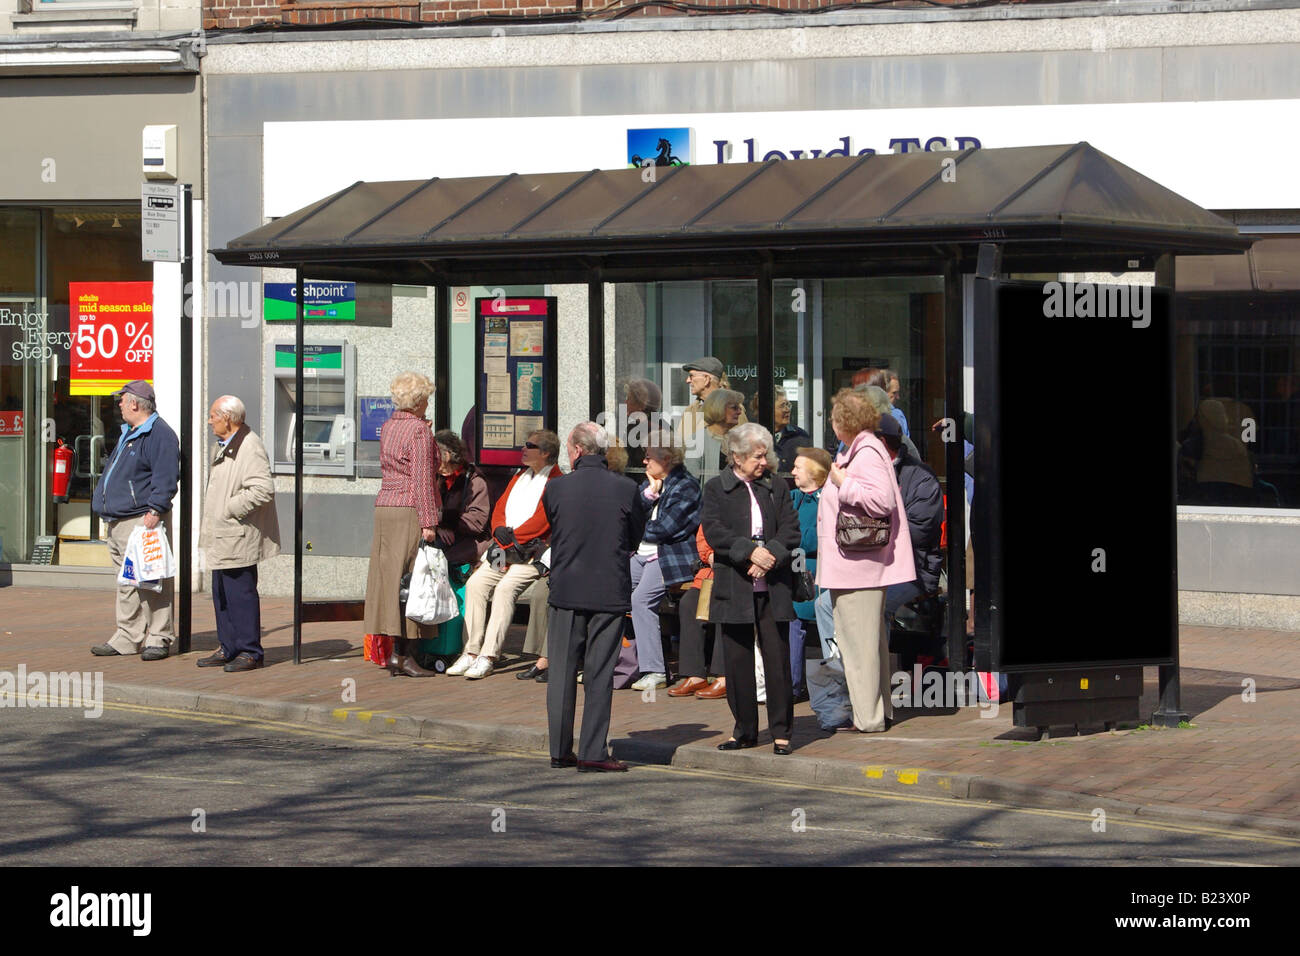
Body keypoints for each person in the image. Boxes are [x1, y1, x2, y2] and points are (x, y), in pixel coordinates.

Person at [544, 422, 645, 772]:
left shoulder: (556, 488)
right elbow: (634, 540)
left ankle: (559, 750)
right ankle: (592, 751)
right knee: (599, 673)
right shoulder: (627, 488)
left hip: (566, 591)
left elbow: (553, 529)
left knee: (561, 672)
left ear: (575, 450)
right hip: (607, 592)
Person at [816, 388, 915, 733]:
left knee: (859, 648)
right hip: (857, 566)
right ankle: (877, 713)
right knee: (868, 645)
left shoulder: (867, 451)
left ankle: (867, 719)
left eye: (833, 416)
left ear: (845, 420)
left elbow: (881, 501)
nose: (830, 422)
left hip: (859, 568)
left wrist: (842, 483)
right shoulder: (861, 448)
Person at [702, 423, 801, 755]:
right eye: (757, 456)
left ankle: (782, 732)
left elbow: (791, 529)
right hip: (735, 583)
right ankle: (744, 730)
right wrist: (748, 553)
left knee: (777, 661)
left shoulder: (776, 486)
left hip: (772, 584)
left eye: (765, 455)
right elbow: (714, 531)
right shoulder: (717, 488)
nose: (764, 462)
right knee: (737, 662)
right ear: (736, 456)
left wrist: (768, 555)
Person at [449, 428, 563, 680]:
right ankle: (471, 651)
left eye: (529, 446)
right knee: (476, 584)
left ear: (545, 453)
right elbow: (500, 506)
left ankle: (489, 655)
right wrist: (499, 528)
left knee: (505, 590)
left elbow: (543, 521)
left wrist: (513, 538)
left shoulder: (555, 481)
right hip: (505, 550)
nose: (523, 449)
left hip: (531, 554)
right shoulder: (519, 476)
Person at [90, 380, 181, 660]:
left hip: (142, 519)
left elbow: (166, 477)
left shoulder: (159, 434)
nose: (118, 404)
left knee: (153, 579)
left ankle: (158, 637)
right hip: (119, 519)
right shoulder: (130, 432)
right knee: (127, 582)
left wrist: (154, 510)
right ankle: (127, 637)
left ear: (134, 404)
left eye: (121, 400)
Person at [362, 372, 442, 678]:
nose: (427, 404)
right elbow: (423, 479)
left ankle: (394, 654)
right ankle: (408, 655)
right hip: (409, 509)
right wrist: (429, 522)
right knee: (413, 582)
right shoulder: (419, 431)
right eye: (427, 399)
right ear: (419, 400)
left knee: (390, 582)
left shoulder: (390, 426)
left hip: (385, 507)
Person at [196, 395, 280, 672]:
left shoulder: (249, 445)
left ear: (228, 419)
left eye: (213, 416)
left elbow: (262, 489)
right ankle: (229, 646)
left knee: (240, 593)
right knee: (221, 594)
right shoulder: (225, 444)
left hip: (238, 534)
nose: (210, 422)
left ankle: (249, 651)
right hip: (224, 534)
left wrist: (230, 508)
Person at [628, 436, 702, 691]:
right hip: (641, 553)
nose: (644, 460)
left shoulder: (686, 486)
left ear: (667, 459)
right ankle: (622, 664)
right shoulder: (652, 483)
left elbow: (666, 529)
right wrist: (649, 494)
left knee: (641, 599)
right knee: (611, 587)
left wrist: (638, 528)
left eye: (650, 456)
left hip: (670, 557)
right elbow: (631, 512)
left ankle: (655, 670)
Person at [876, 415, 943, 619]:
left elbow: (919, 532)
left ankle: (876, 652)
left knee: (875, 607)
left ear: (881, 443)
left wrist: (871, 529)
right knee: (826, 604)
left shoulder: (922, 477)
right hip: (873, 566)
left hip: (913, 571)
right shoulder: (868, 471)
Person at [788, 447, 831, 702]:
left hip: (822, 575)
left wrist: (796, 538)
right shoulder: (791, 497)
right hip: (793, 572)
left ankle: (832, 684)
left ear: (815, 472)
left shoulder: (830, 498)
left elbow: (825, 537)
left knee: (829, 628)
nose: (792, 471)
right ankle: (791, 685)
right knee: (792, 624)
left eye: (798, 467)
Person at [668, 524, 727, 698]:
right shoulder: (712, 506)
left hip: (735, 574)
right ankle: (695, 675)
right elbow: (703, 535)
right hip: (709, 573)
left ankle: (723, 676)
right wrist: (709, 554)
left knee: (723, 606)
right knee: (689, 604)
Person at [686, 387, 743, 485]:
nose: (739, 412)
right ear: (718, 408)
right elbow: (690, 483)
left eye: (739, 408)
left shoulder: (739, 440)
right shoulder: (696, 440)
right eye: (734, 408)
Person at [884, 369, 910, 438]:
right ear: (882, 392)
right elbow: (904, 444)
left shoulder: (865, 416)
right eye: (894, 393)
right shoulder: (897, 415)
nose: (898, 397)